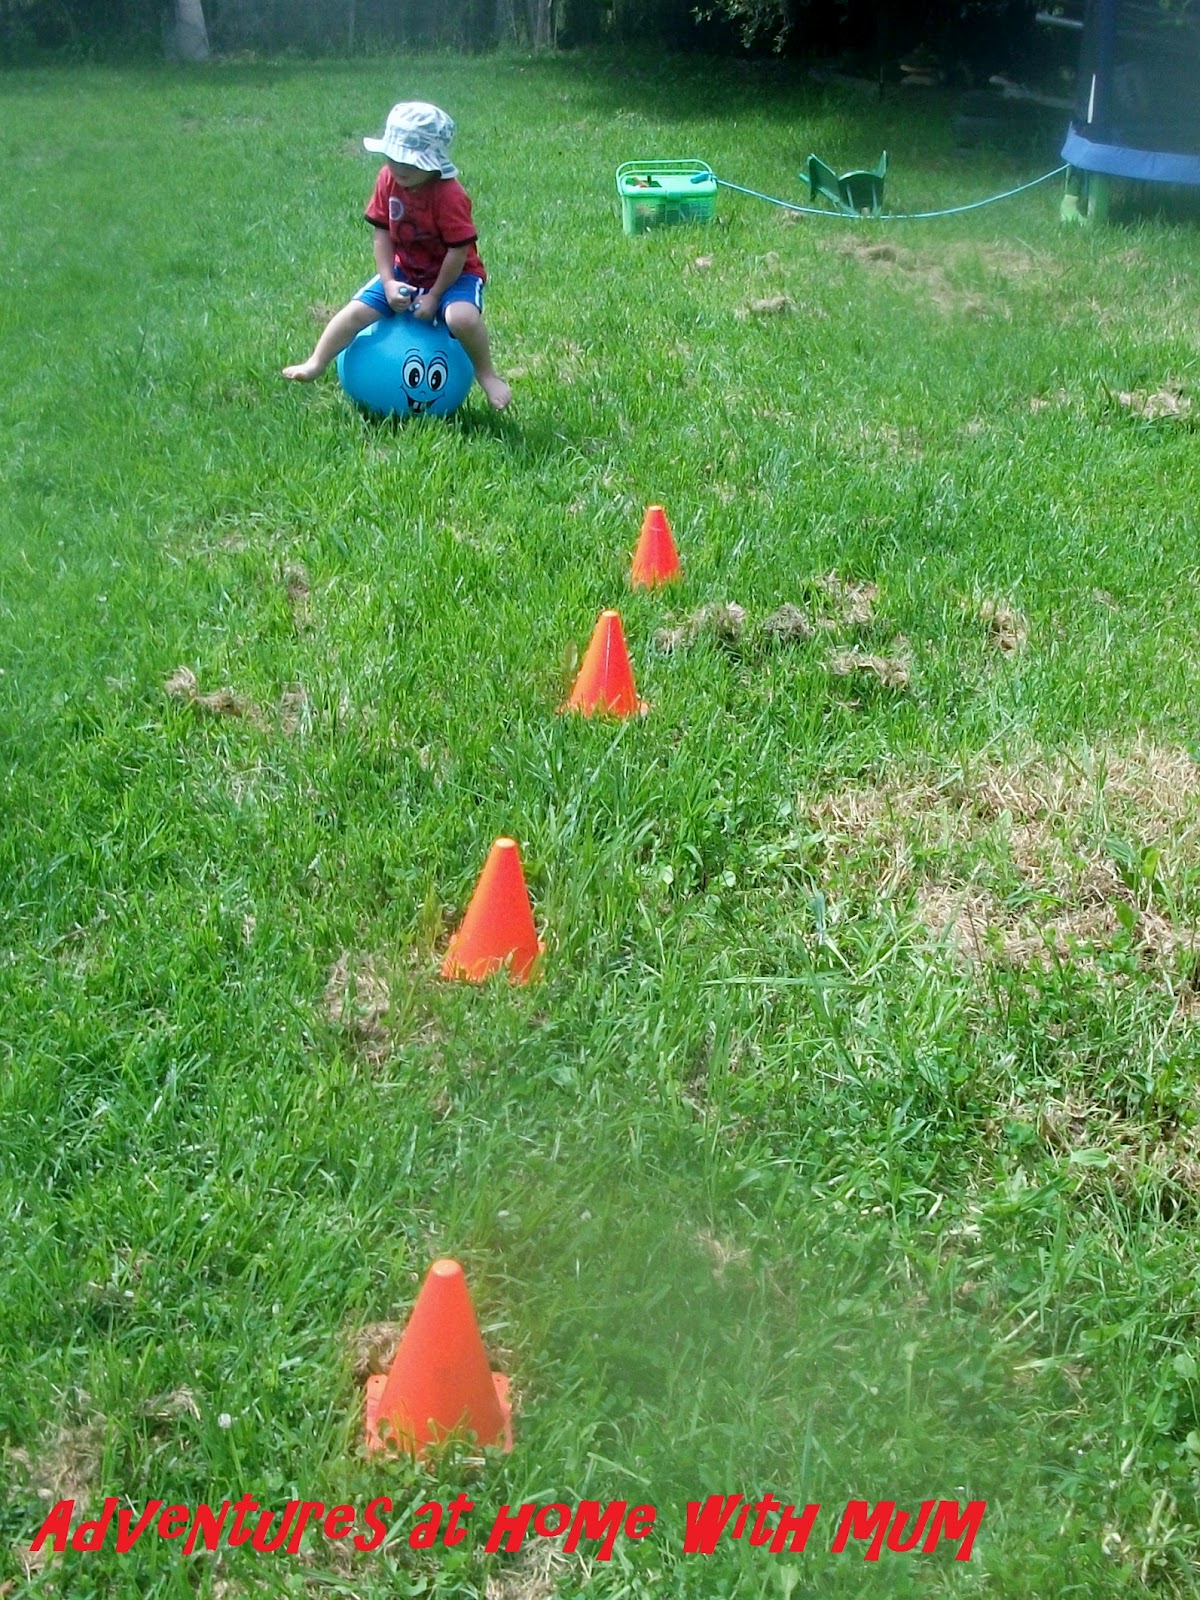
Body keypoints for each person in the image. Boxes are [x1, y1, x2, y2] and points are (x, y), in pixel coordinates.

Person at [283, 101, 511, 410]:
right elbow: (382, 234)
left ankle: (487, 375)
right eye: (394, 158)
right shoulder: (387, 179)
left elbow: (458, 251)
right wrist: (389, 281)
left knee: (461, 318)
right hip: (406, 269)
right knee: (354, 312)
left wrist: (435, 296)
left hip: (455, 274)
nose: (400, 168)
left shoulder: (449, 195)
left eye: (411, 163)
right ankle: (316, 362)